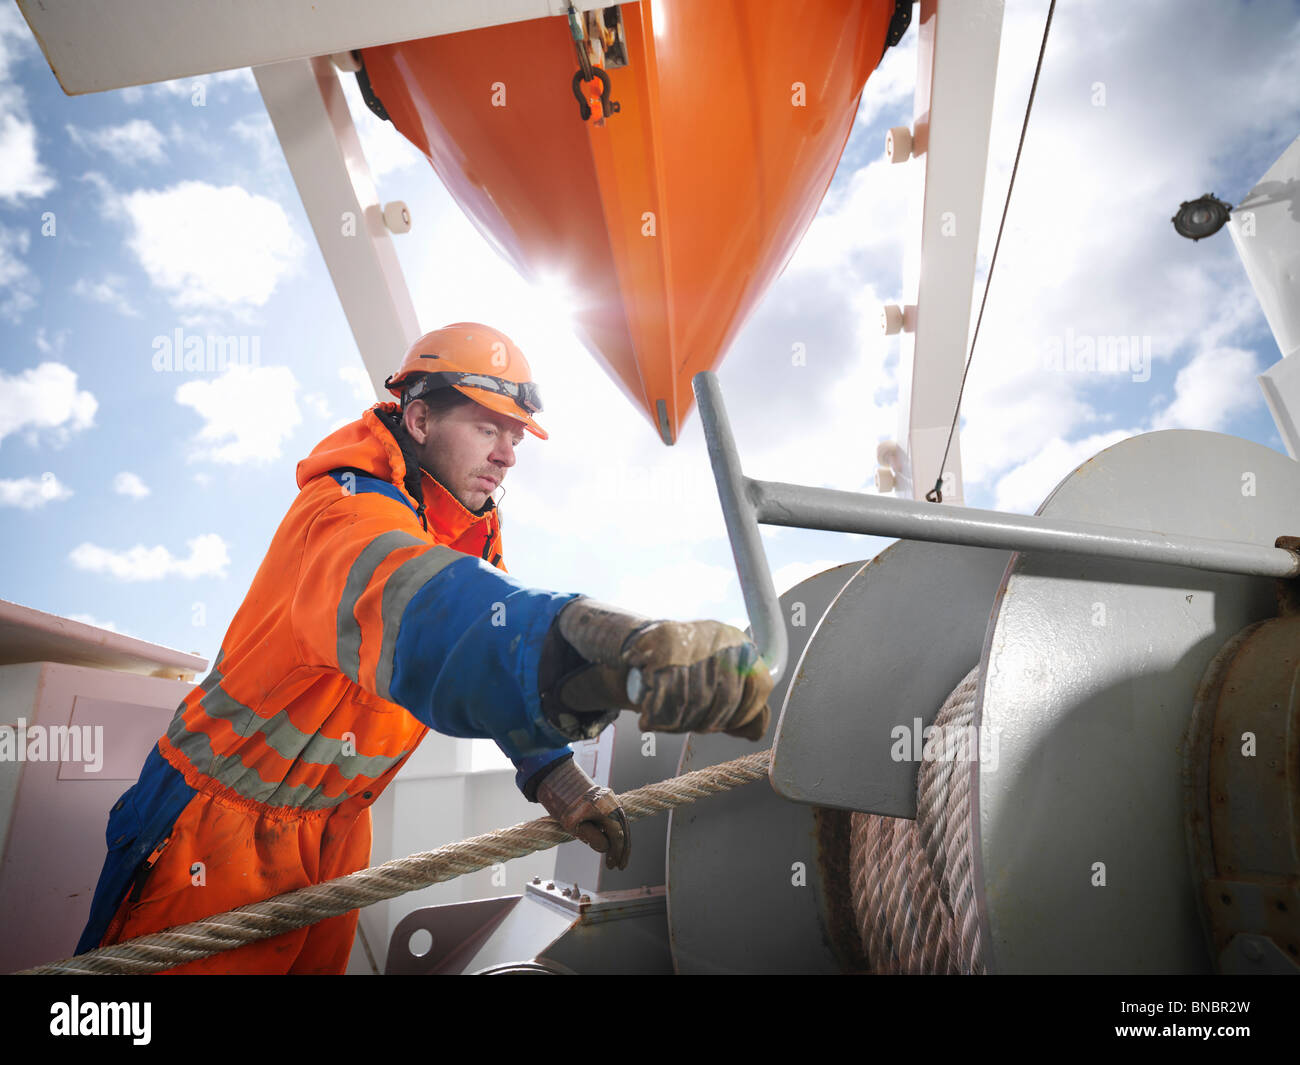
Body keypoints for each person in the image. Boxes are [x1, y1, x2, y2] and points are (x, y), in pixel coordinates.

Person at [75, 322, 772, 974]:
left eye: (516, 437)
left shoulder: (462, 534)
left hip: (335, 832)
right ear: (418, 419)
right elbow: (432, 613)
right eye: (486, 427)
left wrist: (551, 770)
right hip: (208, 834)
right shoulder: (343, 513)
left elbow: (475, 651)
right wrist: (591, 641)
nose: (506, 452)